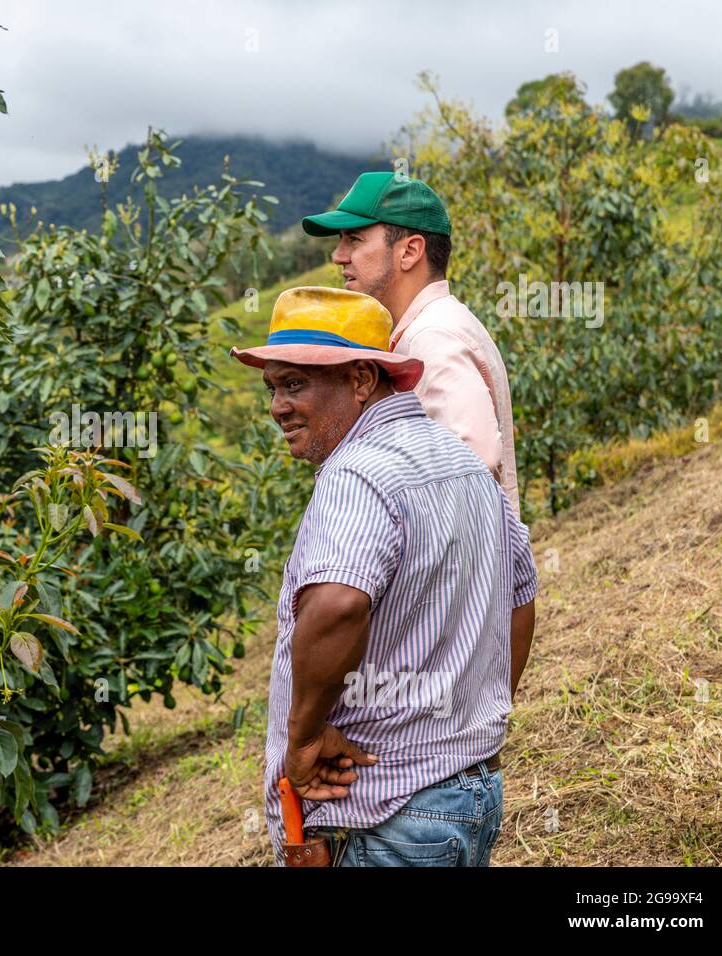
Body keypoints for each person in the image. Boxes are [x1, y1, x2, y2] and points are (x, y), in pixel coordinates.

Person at [230, 285, 538, 867]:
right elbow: (519, 594)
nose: (277, 406)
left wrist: (303, 741)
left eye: (295, 384)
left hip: (390, 811)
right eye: (272, 387)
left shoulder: (357, 474)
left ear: (362, 380)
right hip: (464, 793)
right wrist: (476, 721)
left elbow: (338, 605)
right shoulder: (460, 463)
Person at [302, 172, 521, 513]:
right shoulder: (429, 328)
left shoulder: (432, 338)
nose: (338, 255)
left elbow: (473, 462)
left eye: (354, 239)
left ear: (410, 252)